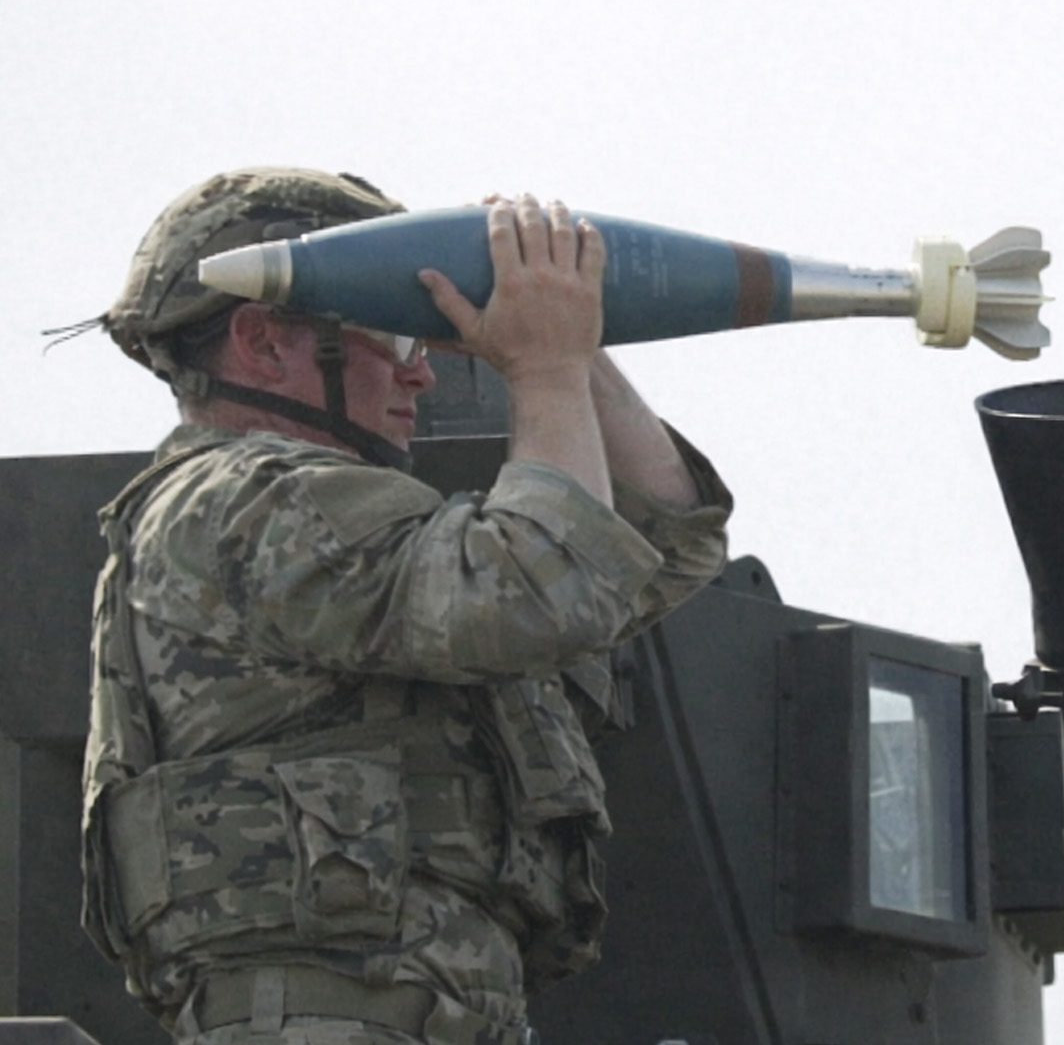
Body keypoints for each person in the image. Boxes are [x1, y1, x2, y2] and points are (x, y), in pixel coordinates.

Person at [77, 168, 733, 1045]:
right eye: (393, 334)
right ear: (263, 342)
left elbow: (659, 541)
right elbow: (546, 592)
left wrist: (567, 332)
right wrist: (544, 364)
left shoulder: (350, 527)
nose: (420, 374)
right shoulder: (241, 501)